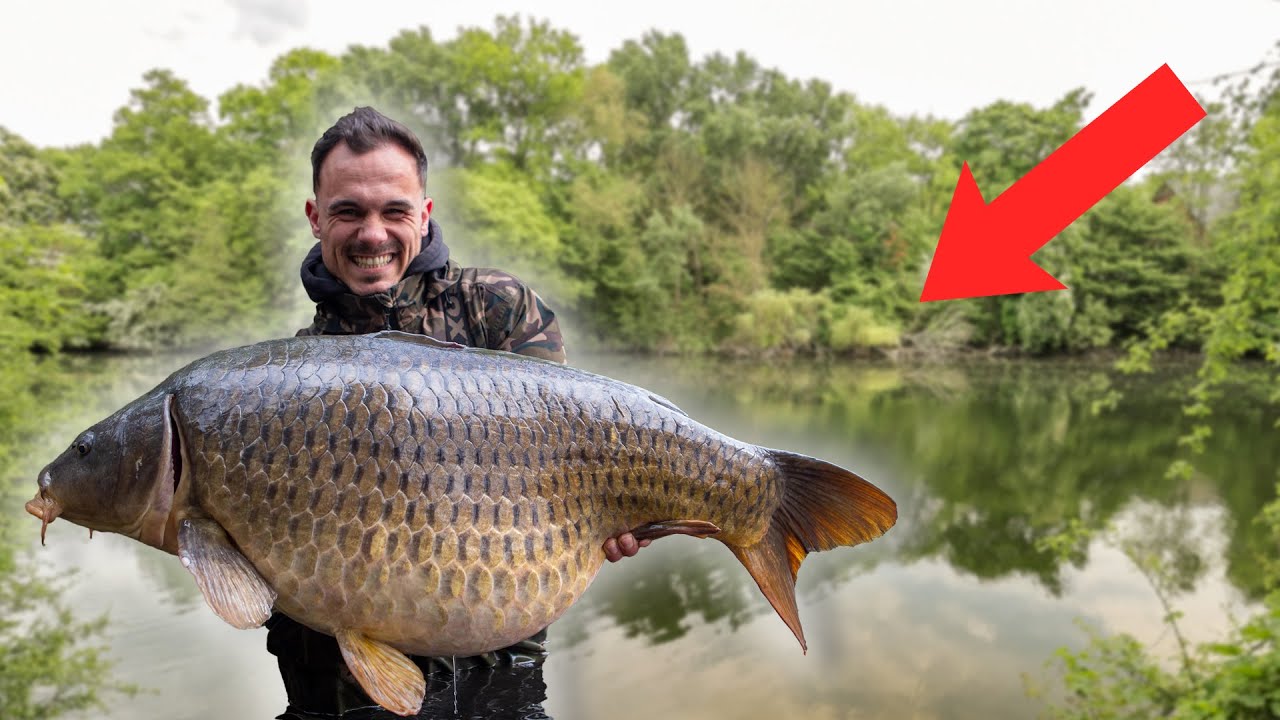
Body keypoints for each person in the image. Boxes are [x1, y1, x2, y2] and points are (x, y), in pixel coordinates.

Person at [270, 107, 647, 718]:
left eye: (394, 210)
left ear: (424, 212)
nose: (372, 234)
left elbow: (573, 451)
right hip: (337, 698)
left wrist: (617, 509)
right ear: (316, 218)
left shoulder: (495, 308)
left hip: (497, 689)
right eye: (348, 211)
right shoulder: (289, 378)